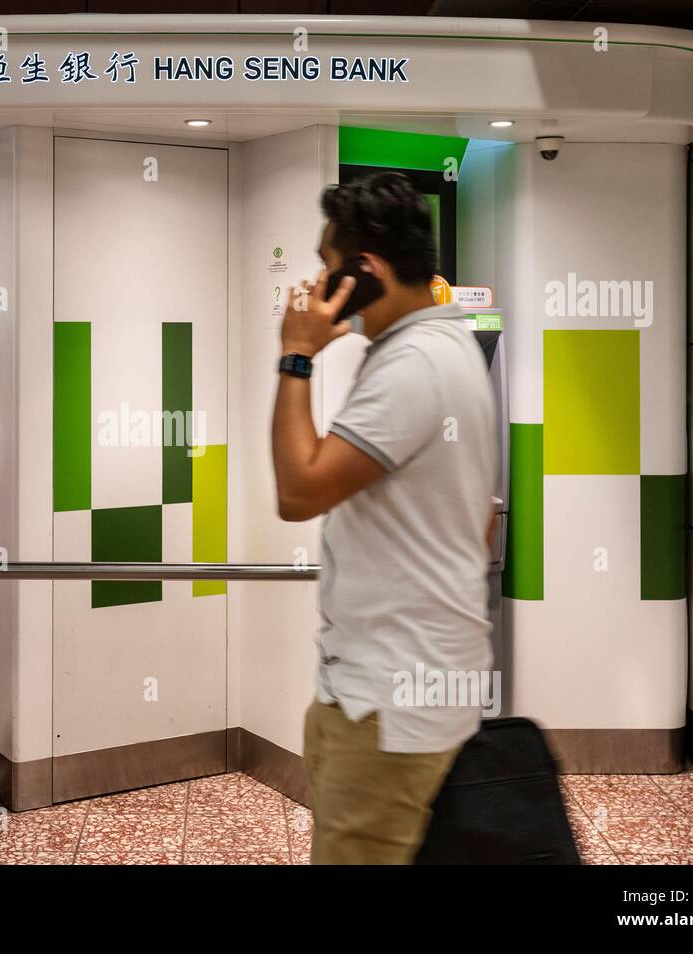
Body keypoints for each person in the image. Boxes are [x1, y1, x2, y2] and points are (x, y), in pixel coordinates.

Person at [271, 173, 496, 864]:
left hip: (390, 702)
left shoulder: (413, 365)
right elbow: (478, 521)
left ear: (365, 271)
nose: (316, 282)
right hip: (403, 684)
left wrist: (297, 355)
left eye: (328, 265)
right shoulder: (447, 345)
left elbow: (299, 490)